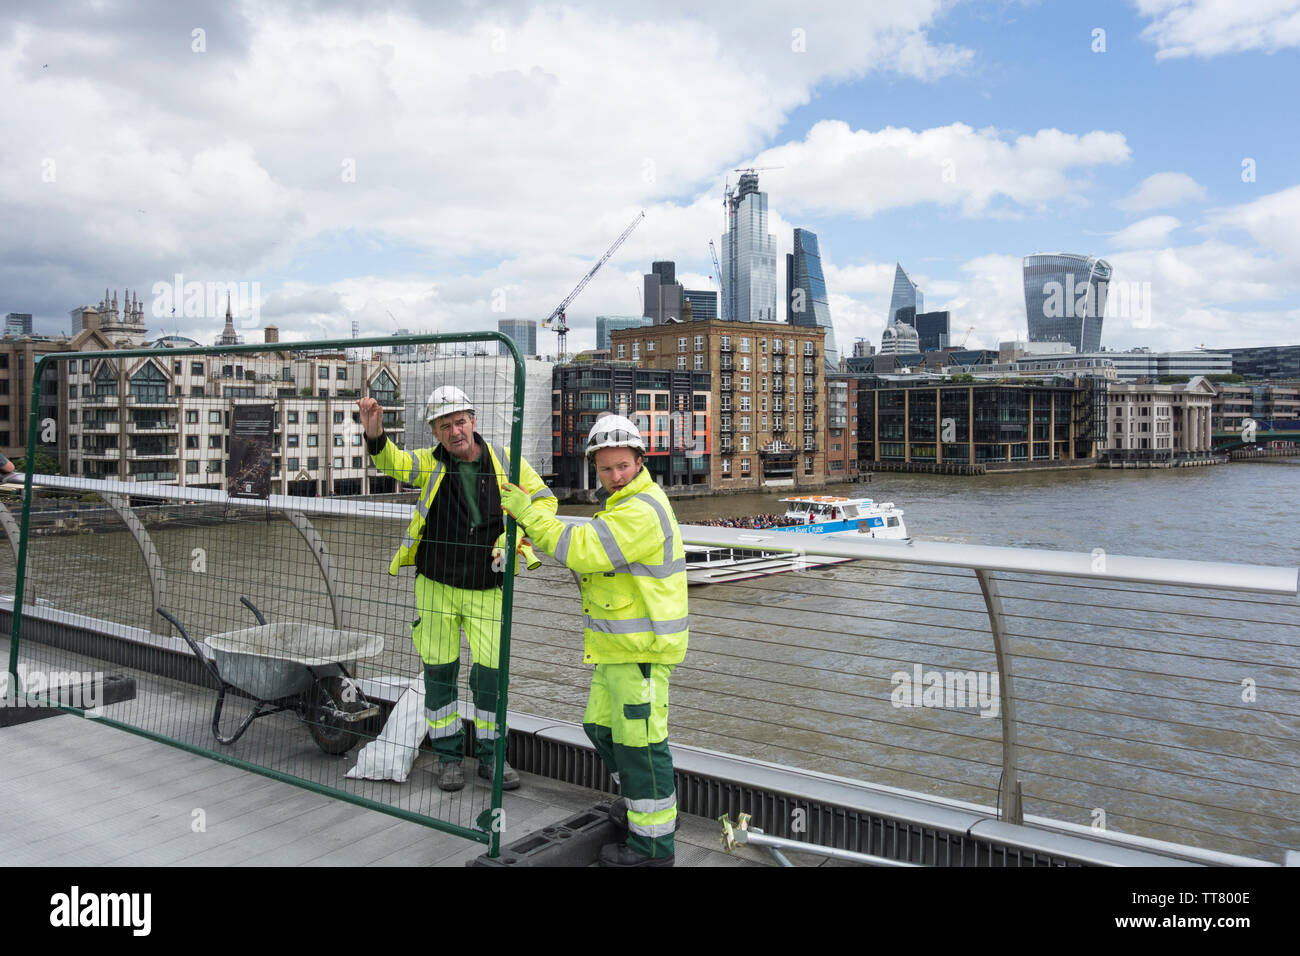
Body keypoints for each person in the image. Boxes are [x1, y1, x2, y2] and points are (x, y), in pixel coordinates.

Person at [499, 414, 687, 867]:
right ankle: (645, 805)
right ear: (595, 468)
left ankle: (653, 846)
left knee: (641, 745)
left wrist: (526, 514)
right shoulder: (624, 503)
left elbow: (584, 550)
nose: (615, 476)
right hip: (618, 649)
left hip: (642, 650)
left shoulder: (640, 509)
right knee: (602, 729)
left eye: (623, 466)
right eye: (606, 469)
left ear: (641, 461)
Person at [358, 386, 555, 792]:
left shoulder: (504, 460)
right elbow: (393, 463)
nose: (455, 431)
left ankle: (490, 757)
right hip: (436, 584)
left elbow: (544, 501)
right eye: (444, 425)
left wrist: (513, 537)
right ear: (435, 432)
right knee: (440, 676)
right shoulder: (429, 464)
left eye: (460, 421)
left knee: (490, 677)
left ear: (474, 421)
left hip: (488, 584)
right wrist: (375, 434)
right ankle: (448, 758)